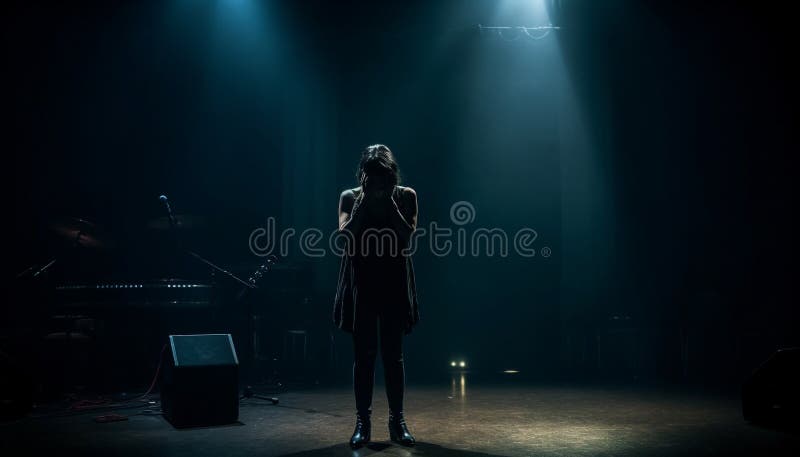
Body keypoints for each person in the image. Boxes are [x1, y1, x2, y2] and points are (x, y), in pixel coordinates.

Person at [333, 144, 420, 448]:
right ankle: (363, 422)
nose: (378, 183)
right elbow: (346, 235)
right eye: (372, 176)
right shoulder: (349, 196)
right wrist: (364, 201)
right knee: (364, 355)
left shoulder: (406, 196)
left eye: (383, 177)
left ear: (391, 175)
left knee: (394, 356)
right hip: (362, 281)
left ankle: (398, 421)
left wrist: (390, 202)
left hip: (394, 281)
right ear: (364, 175)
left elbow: (406, 235)